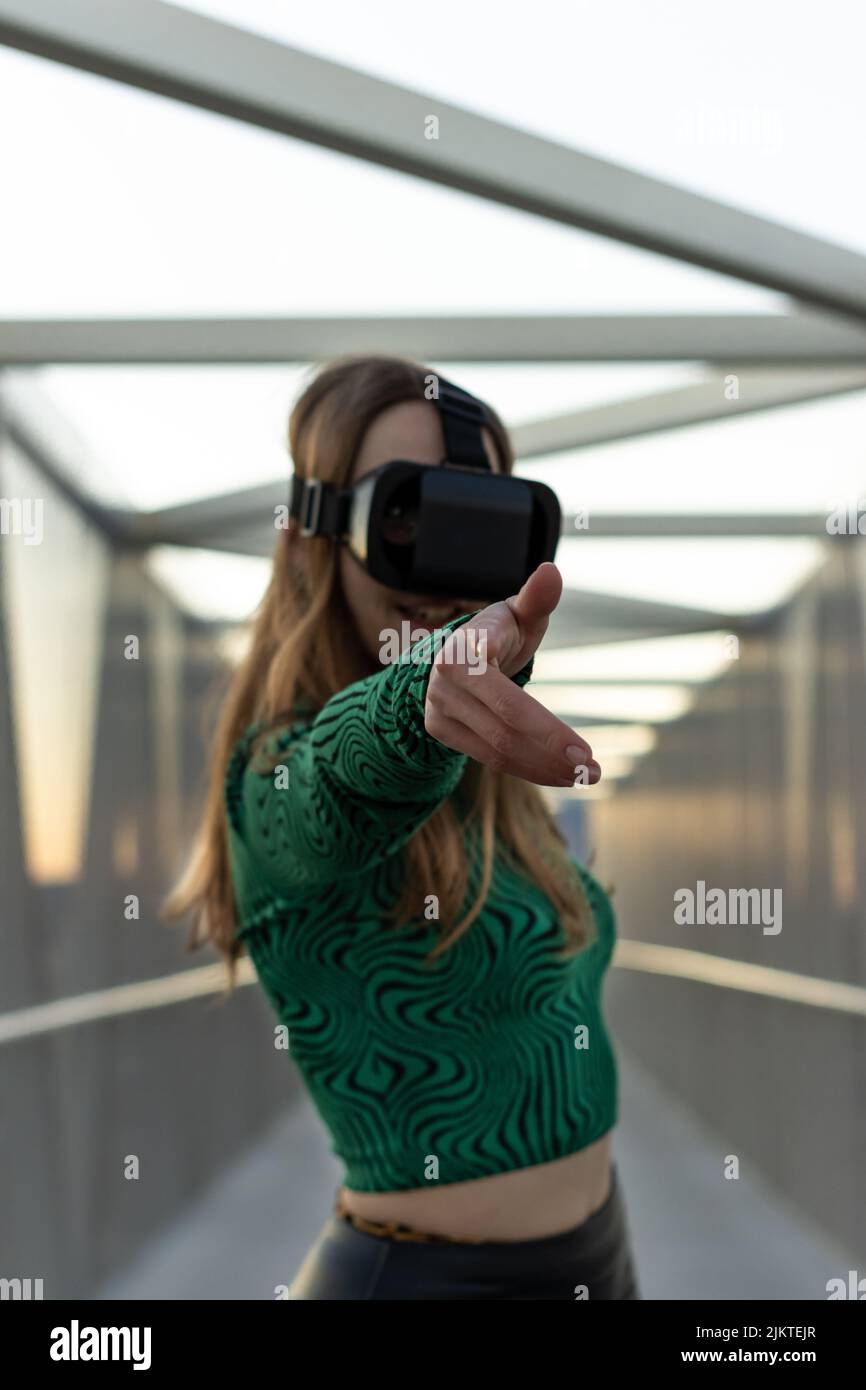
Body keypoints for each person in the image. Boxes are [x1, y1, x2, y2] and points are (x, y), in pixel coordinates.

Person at [166, 355, 640, 1300]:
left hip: (601, 1259)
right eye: (408, 518)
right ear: (313, 536)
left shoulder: (491, 782)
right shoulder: (275, 769)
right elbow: (328, 799)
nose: (446, 567)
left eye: (484, 524)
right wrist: (415, 703)